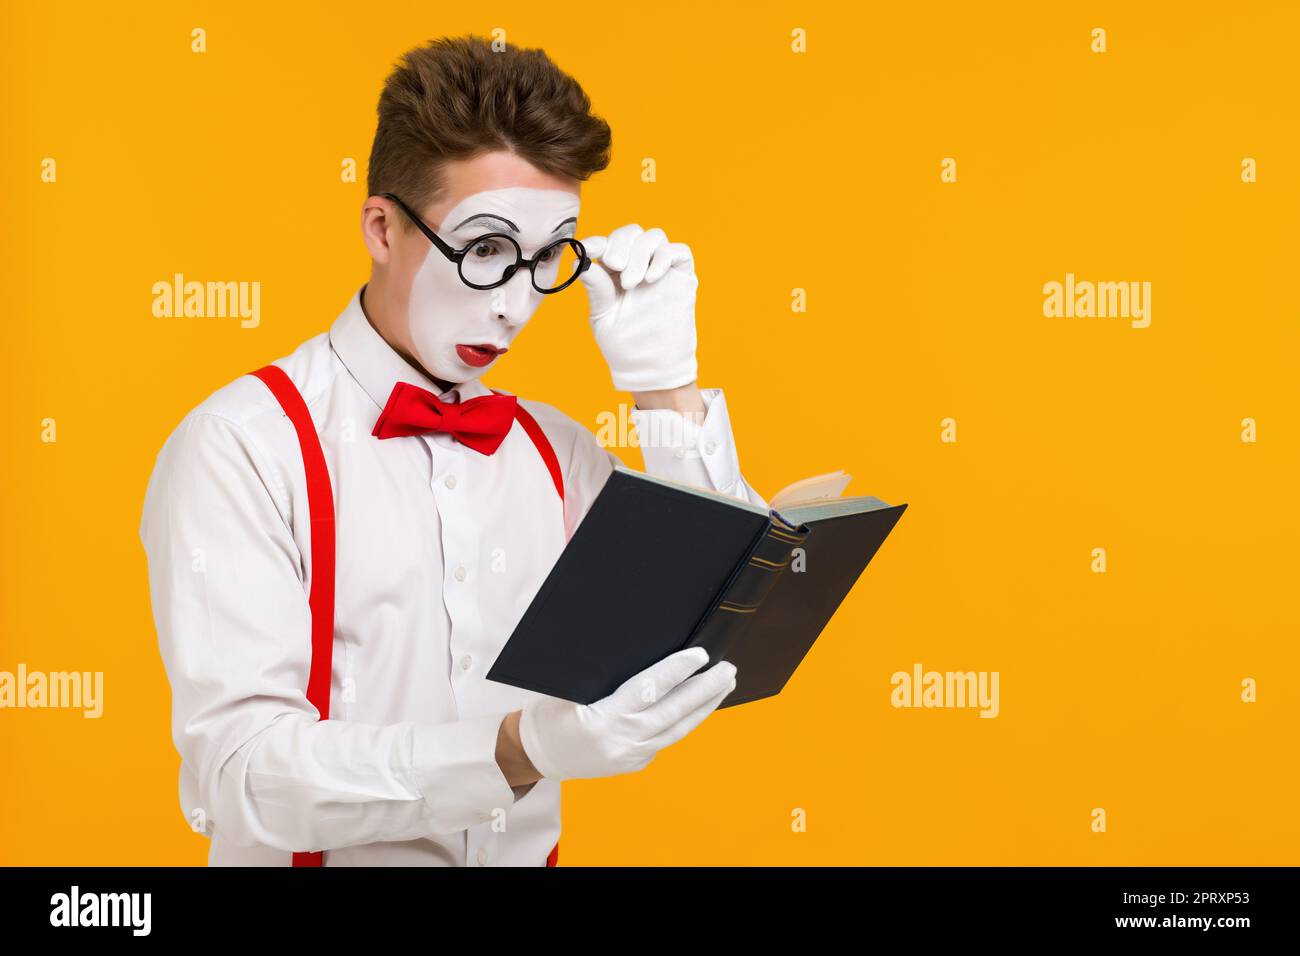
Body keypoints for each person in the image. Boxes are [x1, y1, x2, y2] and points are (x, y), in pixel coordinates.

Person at [139, 34, 765, 866]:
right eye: (486, 250)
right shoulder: (243, 445)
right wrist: (518, 749)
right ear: (383, 228)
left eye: (547, 257)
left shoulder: (554, 453)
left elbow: (718, 623)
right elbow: (241, 777)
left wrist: (665, 383)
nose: (517, 305)